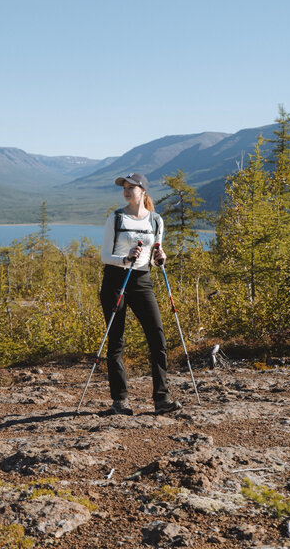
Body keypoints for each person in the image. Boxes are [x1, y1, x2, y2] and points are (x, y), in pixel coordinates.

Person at [99, 172, 181, 416]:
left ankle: (162, 399)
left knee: (158, 339)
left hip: (142, 280)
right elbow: (104, 255)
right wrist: (125, 259)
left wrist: (160, 259)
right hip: (115, 279)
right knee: (116, 341)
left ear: (143, 191)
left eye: (131, 187)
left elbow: (156, 256)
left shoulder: (155, 220)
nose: (126, 191)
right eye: (124, 187)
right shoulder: (116, 218)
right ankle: (120, 401)